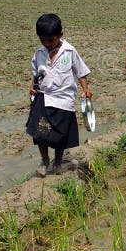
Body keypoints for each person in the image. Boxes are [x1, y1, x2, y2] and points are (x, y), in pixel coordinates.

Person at [27, 13, 92, 176]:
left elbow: (81, 72)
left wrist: (85, 90)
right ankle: (44, 160)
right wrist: (32, 88)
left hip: (64, 100)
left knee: (60, 136)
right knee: (40, 133)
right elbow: (35, 74)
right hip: (44, 98)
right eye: (43, 40)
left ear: (60, 36)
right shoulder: (39, 53)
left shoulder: (69, 51)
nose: (47, 44)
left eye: (51, 40)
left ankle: (57, 162)